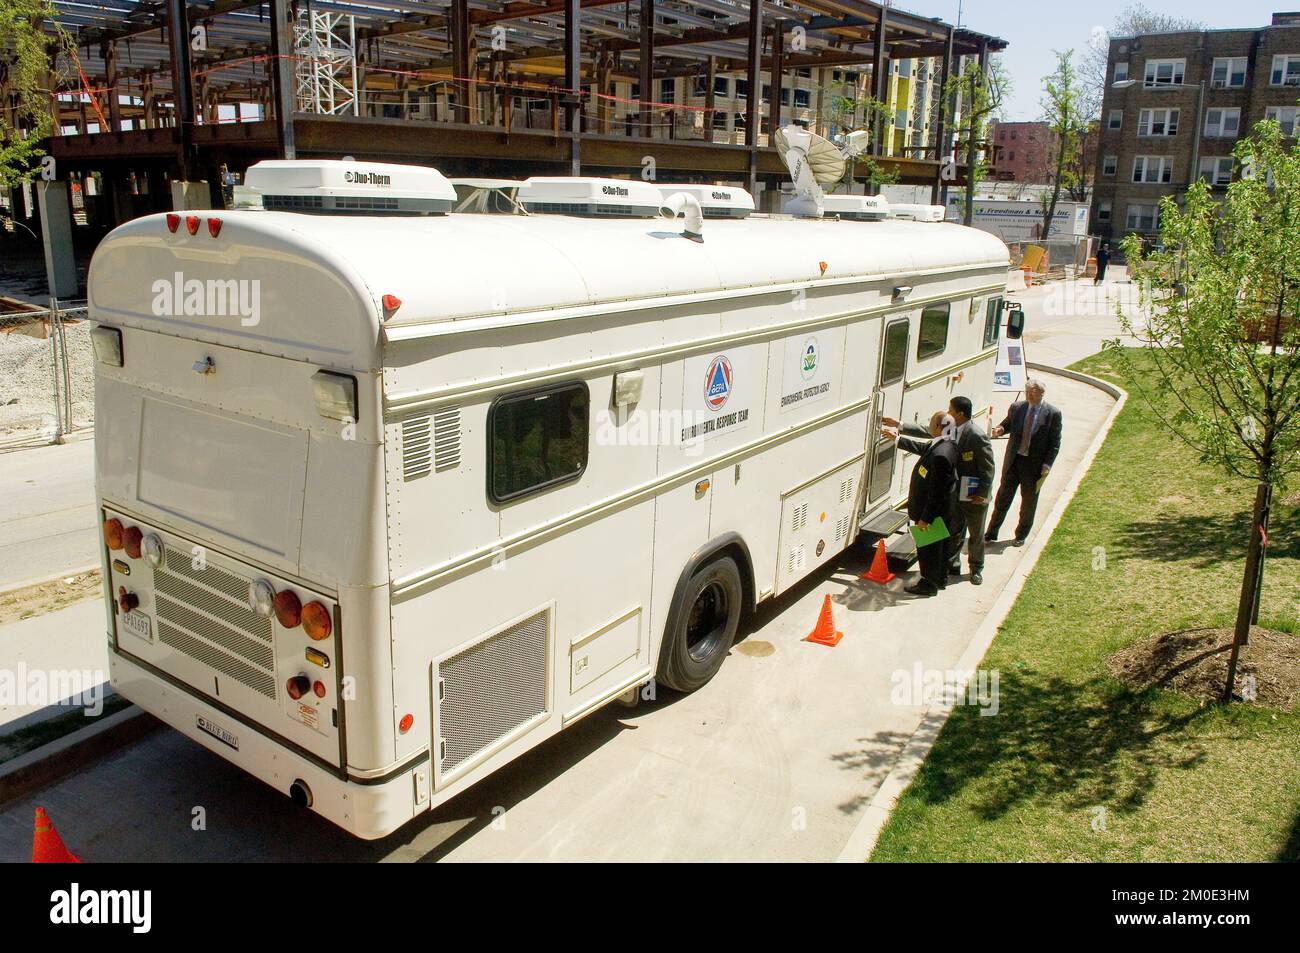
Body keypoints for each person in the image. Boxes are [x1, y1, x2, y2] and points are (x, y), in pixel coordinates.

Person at [883, 397, 996, 585]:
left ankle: (976, 568)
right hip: (954, 492)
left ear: (959, 414)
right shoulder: (949, 432)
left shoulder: (976, 435)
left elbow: (988, 467)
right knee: (954, 531)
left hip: (974, 493)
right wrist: (899, 428)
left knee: (976, 533)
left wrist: (983, 492)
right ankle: (951, 565)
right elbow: (928, 434)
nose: (948, 412)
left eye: (950, 410)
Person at [986, 378, 1062, 546]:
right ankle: (991, 533)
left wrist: (1047, 465)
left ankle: (1021, 535)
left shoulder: (1053, 414)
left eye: (1032, 393)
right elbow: (1008, 424)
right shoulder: (1017, 408)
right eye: (1027, 392)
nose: (1028, 396)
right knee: (1002, 499)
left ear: (1042, 393)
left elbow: (1055, 443)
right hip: (1014, 462)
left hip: (1033, 467)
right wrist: (1000, 429)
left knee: (1028, 504)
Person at [893, 411, 959, 597]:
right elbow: (924, 449)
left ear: (939, 427)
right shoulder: (947, 444)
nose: (928, 424)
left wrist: (925, 519)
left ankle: (928, 584)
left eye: (931, 421)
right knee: (939, 547)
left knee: (928, 550)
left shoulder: (940, 455)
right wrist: (898, 440)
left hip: (931, 513)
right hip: (943, 511)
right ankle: (940, 579)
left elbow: (936, 493)